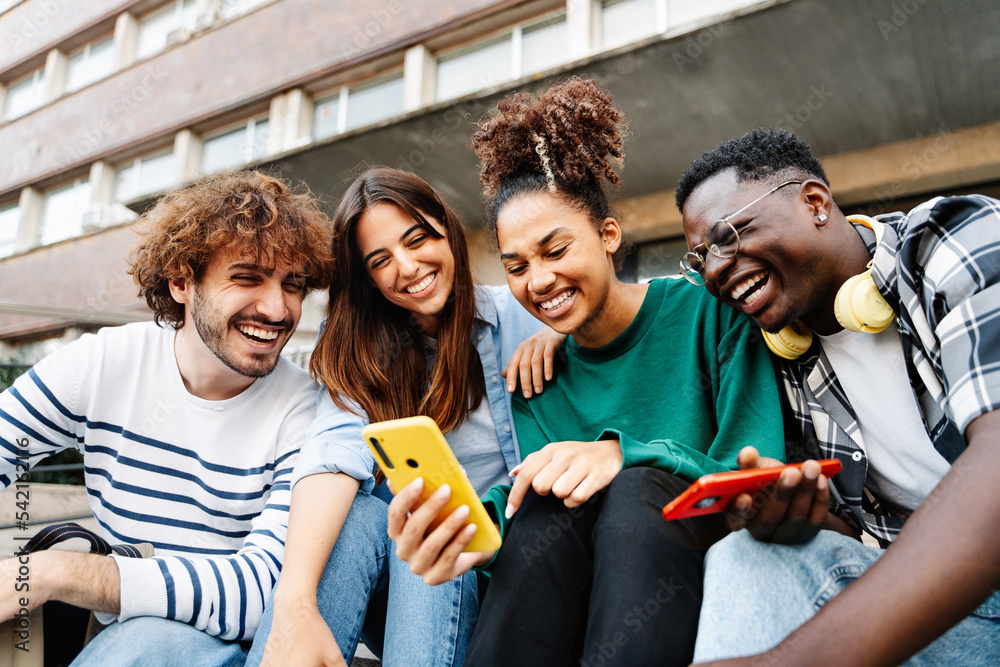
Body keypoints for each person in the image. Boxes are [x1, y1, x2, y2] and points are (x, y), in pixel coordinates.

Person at [389, 79, 787, 667]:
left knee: (632, 490)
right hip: (591, 592)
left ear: (607, 237)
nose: (539, 281)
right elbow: (540, 527)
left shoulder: (710, 309)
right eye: (517, 266)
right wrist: (469, 530)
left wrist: (624, 456)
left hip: (706, 560)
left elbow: (755, 471)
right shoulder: (536, 377)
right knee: (545, 505)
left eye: (555, 251)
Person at [676, 128, 1000, 666]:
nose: (713, 270)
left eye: (728, 236)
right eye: (700, 258)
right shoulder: (782, 350)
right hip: (940, 610)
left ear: (814, 203)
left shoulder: (954, 238)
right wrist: (796, 518)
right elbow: (859, 530)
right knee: (747, 554)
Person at [0, 171, 333, 665]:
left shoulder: (304, 412)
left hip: (230, 646)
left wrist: (56, 573)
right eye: (247, 278)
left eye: (293, 285)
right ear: (182, 281)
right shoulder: (104, 363)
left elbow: (265, 592)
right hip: (119, 636)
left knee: (150, 638)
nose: (278, 308)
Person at [247, 168, 560, 666]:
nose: (409, 267)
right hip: (416, 590)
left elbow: (639, 301)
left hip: (511, 577)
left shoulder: (527, 312)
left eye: (417, 239)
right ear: (367, 278)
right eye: (380, 260)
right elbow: (332, 453)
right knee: (377, 512)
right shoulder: (361, 349)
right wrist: (293, 601)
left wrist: (567, 330)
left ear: (445, 228)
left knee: (435, 516)